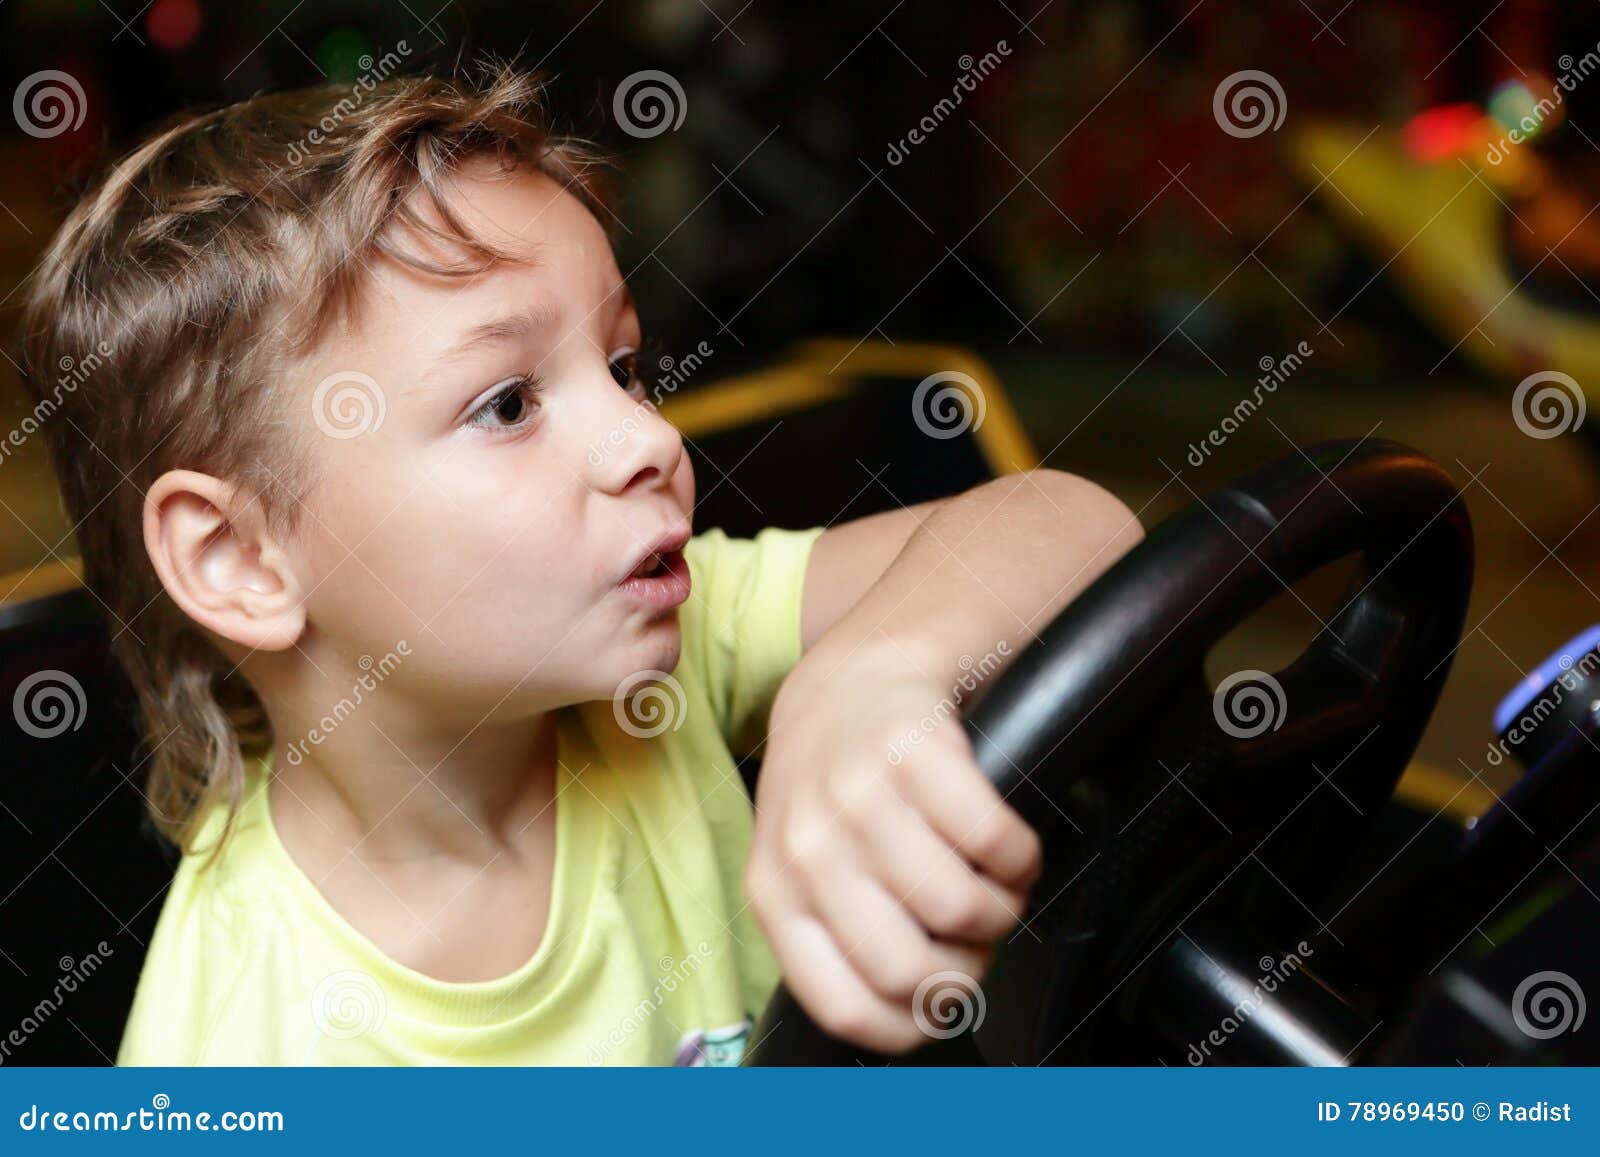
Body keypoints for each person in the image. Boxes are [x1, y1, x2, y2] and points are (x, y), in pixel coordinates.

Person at [14, 60, 1142, 1065]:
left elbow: (1074, 524)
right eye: (508, 403)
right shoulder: (243, 1052)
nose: (649, 439)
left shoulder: (661, 663)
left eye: (624, 365)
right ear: (241, 559)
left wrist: (869, 675)